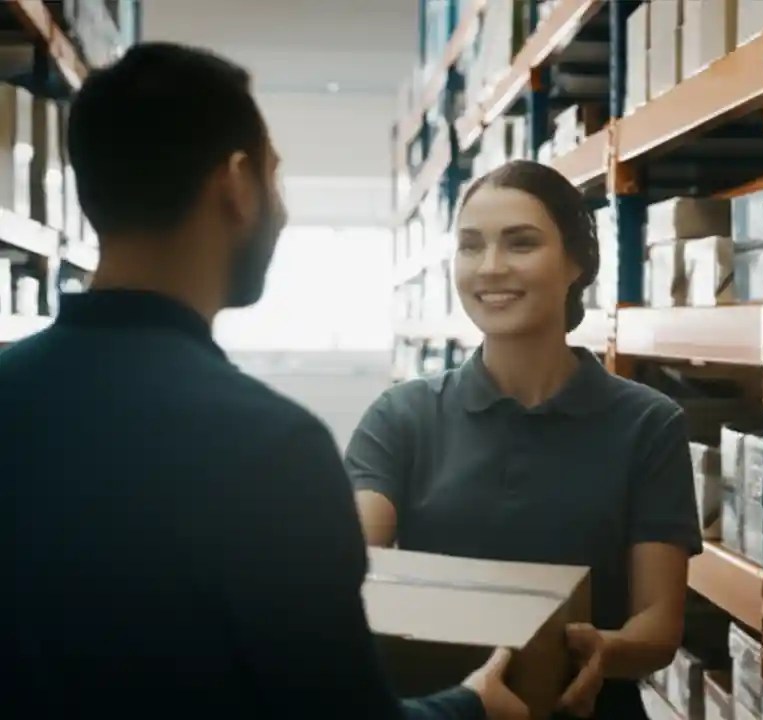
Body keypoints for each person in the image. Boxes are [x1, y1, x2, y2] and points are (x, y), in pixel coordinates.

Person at [0, 43, 525, 720]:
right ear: (238, 183)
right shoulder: (270, 449)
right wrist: (473, 705)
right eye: (276, 178)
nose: (280, 209)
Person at [346, 160, 704, 719]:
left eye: (520, 244)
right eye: (470, 246)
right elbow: (348, 559)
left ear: (577, 264)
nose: (489, 268)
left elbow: (658, 623)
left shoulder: (646, 423)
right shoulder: (403, 417)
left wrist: (602, 652)